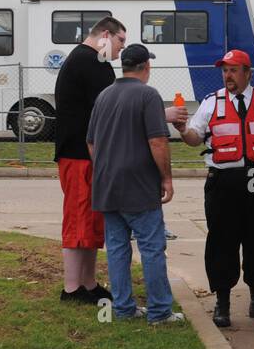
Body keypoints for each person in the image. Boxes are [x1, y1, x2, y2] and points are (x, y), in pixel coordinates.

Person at [175, 49, 254, 327]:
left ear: (247, 73)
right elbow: (195, 138)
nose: (227, 75)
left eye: (233, 70)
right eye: (224, 70)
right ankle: (223, 303)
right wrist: (182, 130)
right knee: (222, 240)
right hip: (223, 180)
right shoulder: (211, 102)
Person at [87, 44, 184, 325]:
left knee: (117, 249)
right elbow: (157, 140)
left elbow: (91, 142)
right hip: (138, 184)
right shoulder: (148, 95)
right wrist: (166, 177)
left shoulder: (104, 95)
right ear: (145, 67)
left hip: (106, 183)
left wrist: (107, 165)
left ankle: (123, 308)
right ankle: (159, 311)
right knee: (152, 247)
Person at [52, 17, 123, 305]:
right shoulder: (90, 61)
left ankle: (88, 283)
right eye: (120, 40)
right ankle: (72, 289)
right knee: (79, 219)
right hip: (79, 155)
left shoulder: (89, 60)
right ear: (105, 35)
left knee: (92, 221)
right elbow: (111, 108)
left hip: (86, 154)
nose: (121, 49)